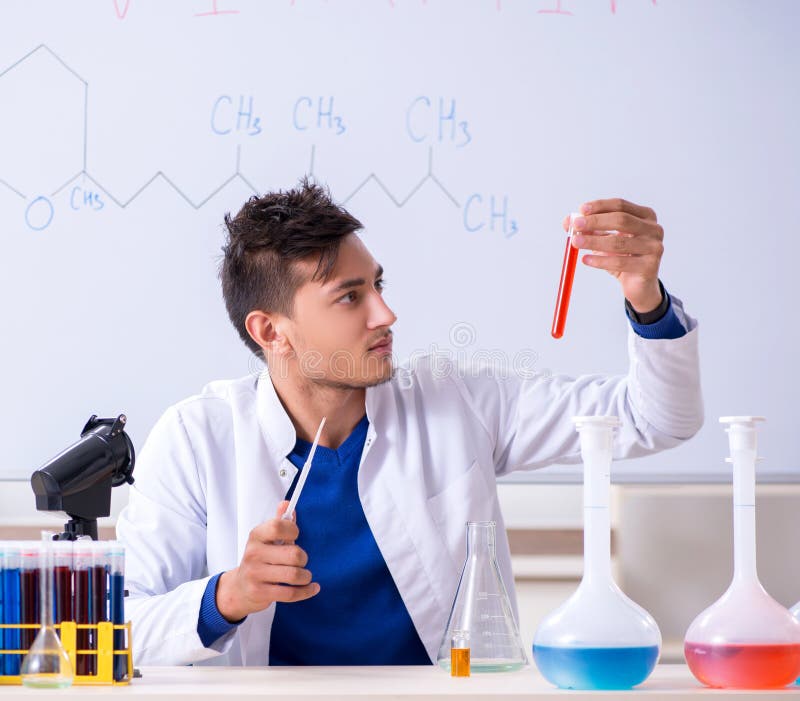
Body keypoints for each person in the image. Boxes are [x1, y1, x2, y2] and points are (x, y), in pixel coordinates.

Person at [116, 179, 703, 666]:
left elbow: (654, 419)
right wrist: (229, 595)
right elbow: (123, 625)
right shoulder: (197, 438)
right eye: (350, 297)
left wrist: (644, 297)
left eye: (378, 285)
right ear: (271, 331)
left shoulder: (457, 401)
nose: (386, 313)